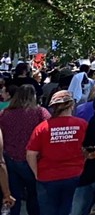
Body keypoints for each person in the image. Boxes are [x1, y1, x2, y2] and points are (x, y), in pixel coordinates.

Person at [26, 91, 87, 215]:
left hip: (47, 176)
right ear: (72, 105)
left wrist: (36, 173)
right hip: (75, 175)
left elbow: (30, 154)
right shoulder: (82, 125)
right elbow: (88, 150)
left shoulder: (42, 127)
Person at [1, 84, 50, 215]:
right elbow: (49, 129)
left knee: (13, 195)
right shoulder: (40, 112)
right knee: (34, 195)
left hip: (10, 159)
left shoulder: (5, 114)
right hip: (32, 159)